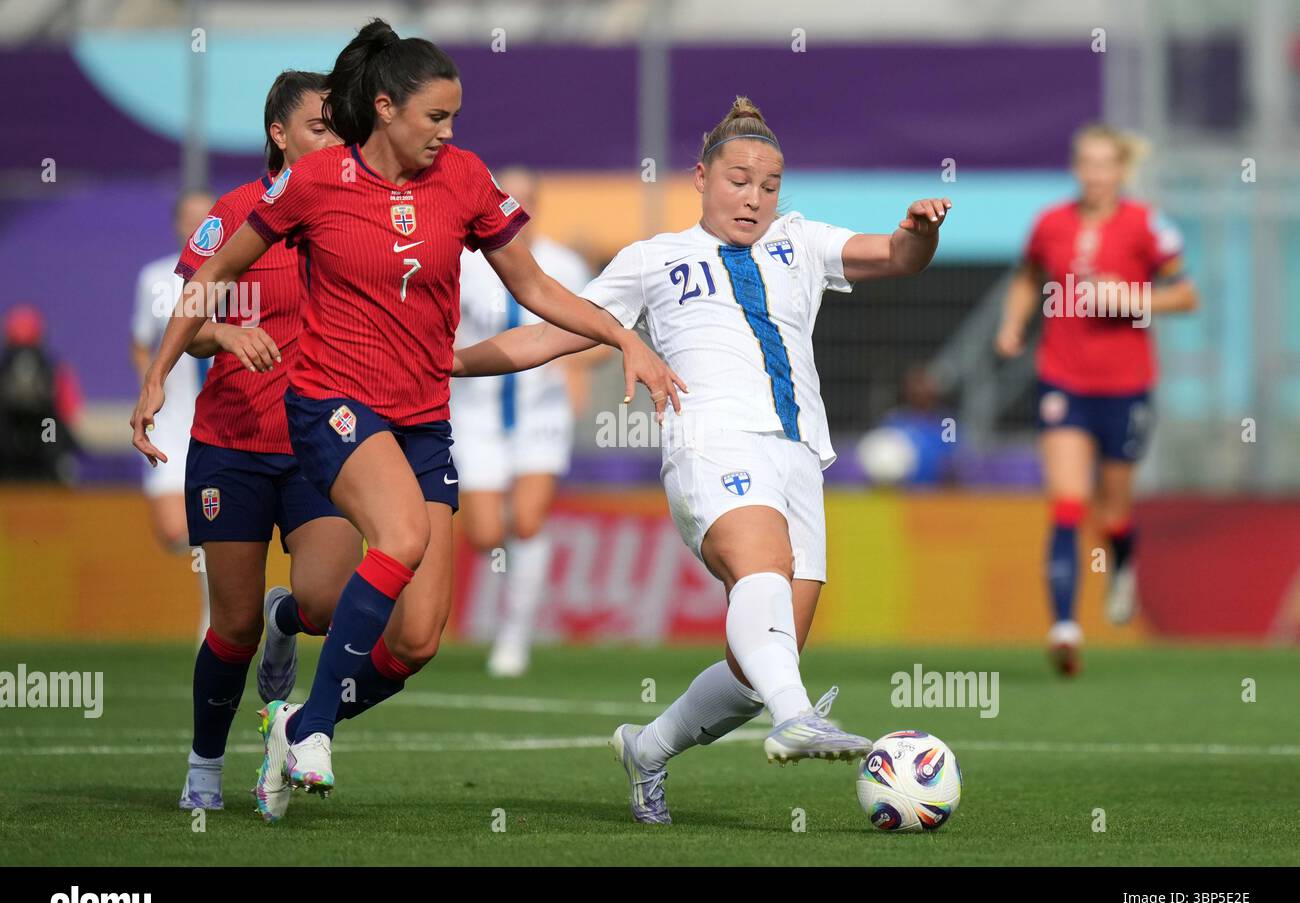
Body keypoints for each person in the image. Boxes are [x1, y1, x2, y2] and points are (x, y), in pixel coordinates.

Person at [130, 18, 684, 816]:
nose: (448, 133)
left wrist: (621, 335)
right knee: (383, 547)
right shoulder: (314, 185)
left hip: (421, 420)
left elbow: (534, 289)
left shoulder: (462, 178)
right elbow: (211, 273)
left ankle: (298, 724)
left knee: (418, 636)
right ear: (386, 108)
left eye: (455, 118)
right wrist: (158, 374)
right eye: (436, 117)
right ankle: (260, 747)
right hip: (327, 408)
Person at [454, 96, 951, 824]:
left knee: (758, 667)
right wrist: (444, 363)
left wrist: (919, 232)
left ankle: (646, 749)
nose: (754, 197)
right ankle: (799, 715)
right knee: (762, 580)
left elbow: (901, 259)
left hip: (800, 458)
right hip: (710, 442)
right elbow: (550, 336)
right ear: (700, 177)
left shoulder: (801, 243)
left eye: (769, 184)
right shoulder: (653, 260)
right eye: (739, 179)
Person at [171, 71, 367, 817]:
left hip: (319, 444)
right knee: (232, 624)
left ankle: (289, 626)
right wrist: (222, 330)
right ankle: (205, 761)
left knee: (319, 603)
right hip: (234, 443)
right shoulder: (233, 215)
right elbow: (185, 322)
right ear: (280, 135)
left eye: (341, 130)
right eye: (319, 127)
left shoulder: (352, 215)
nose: (335, 141)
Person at [995, 123, 1198, 675]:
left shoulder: (1146, 225)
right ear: (1076, 167)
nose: (1095, 174)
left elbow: (1187, 294)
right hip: (1063, 382)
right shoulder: (1050, 224)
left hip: (1127, 387)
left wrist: (1131, 296)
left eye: (1105, 164)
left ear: (1120, 170)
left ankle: (1124, 561)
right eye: (1086, 162)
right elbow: (1026, 276)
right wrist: (1014, 324)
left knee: (1113, 510)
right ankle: (1064, 626)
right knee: (1066, 501)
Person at [451, 166, 605, 677]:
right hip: (475, 412)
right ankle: (508, 606)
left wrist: (575, 368)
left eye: (524, 199)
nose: (514, 208)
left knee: (530, 518)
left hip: (541, 412)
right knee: (482, 531)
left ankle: (514, 635)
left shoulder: (564, 264)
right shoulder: (463, 265)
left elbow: (598, 333)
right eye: (506, 199)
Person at [130, 187, 215, 642]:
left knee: (217, 525)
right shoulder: (156, 278)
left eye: (208, 217)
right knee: (174, 530)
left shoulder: (242, 270)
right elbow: (142, 340)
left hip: (223, 421)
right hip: (174, 422)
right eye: (190, 217)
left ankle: (214, 620)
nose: (198, 225)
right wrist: (150, 385)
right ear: (177, 223)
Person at [0, 304, 82, 483]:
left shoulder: (57, 373)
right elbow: (70, 414)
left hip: (45, 450)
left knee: (52, 431)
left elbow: (65, 418)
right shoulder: (58, 371)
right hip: (11, 455)